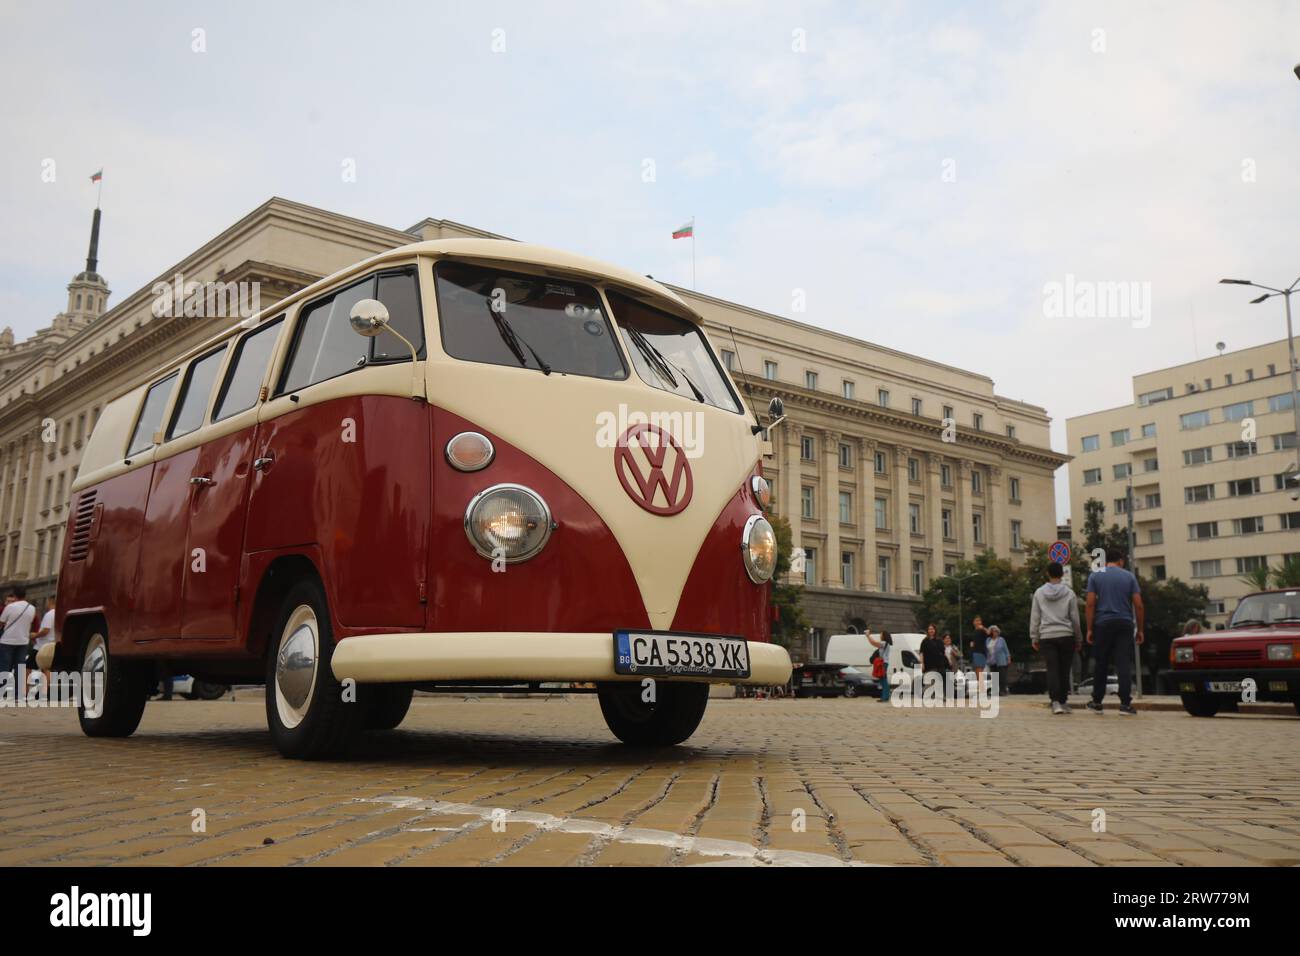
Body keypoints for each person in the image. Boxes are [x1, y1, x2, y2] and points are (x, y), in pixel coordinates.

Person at [1085, 546, 1144, 716]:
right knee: (1123, 663)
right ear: (1120, 561)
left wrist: (1090, 628)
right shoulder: (1129, 577)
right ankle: (1125, 704)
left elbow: (1090, 604)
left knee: (1101, 663)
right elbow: (1139, 605)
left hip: (1103, 625)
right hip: (1124, 624)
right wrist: (1140, 629)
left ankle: (1097, 702)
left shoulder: (1095, 576)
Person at [1031, 562, 1083, 715]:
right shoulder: (1069, 593)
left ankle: (1055, 702)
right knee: (1065, 669)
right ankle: (1063, 701)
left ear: (1048, 574)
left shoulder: (1039, 593)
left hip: (1047, 635)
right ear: (1062, 574)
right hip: (1066, 635)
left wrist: (1034, 636)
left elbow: (1035, 616)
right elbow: (1074, 617)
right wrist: (1078, 638)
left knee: (1052, 668)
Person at [0, 586, 36, 695]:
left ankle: (2, 691)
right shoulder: (32, 608)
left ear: (14, 595)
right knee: (20, 668)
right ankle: (18, 694)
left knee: (4, 668)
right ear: (25, 595)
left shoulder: (10, 607)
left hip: (7, 640)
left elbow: (1, 622)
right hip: (23, 641)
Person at [31, 596, 56, 699]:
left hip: (42, 646)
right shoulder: (58, 613)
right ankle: (45, 691)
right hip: (51, 644)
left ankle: (26, 690)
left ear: (50, 601)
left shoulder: (50, 614)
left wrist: (35, 635)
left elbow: (45, 630)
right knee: (46, 668)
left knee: (28, 666)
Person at [919, 623, 948, 695]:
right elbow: (921, 653)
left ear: (935, 630)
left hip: (939, 664)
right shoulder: (925, 641)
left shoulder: (939, 640)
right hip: (929, 664)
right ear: (928, 631)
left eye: (932, 629)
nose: (931, 630)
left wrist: (947, 661)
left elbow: (944, 652)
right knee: (930, 680)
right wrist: (922, 663)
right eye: (929, 629)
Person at [867, 628, 893, 701]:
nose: (880, 635)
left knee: (883, 680)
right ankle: (885, 696)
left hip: (883, 663)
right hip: (885, 663)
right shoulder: (886, 644)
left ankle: (885, 697)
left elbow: (873, 643)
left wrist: (868, 636)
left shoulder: (884, 643)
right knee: (883, 679)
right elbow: (874, 643)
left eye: (881, 634)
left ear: (884, 636)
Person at [985, 625, 1011, 696]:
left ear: (998, 632)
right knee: (994, 677)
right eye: (993, 631)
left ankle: (1003, 691)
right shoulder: (988, 640)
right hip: (991, 661)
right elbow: (986, 651)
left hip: (1001, 661)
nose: (994, 632)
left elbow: (1006, 650)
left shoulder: (1001, 639)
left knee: (1002, 677)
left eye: (996, 631)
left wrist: (1008, 658)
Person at [968, 615, 990, 679]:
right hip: (975, 653)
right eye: (976, 621)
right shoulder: (974, 632)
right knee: (978, 672)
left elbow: (989, 633)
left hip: (980, 653)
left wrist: (983, 628)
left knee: (980, 672)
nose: (978, 622)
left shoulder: (982, 630)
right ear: (973, 622)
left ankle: (981, 687)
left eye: (979, 621)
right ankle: (980, 687)